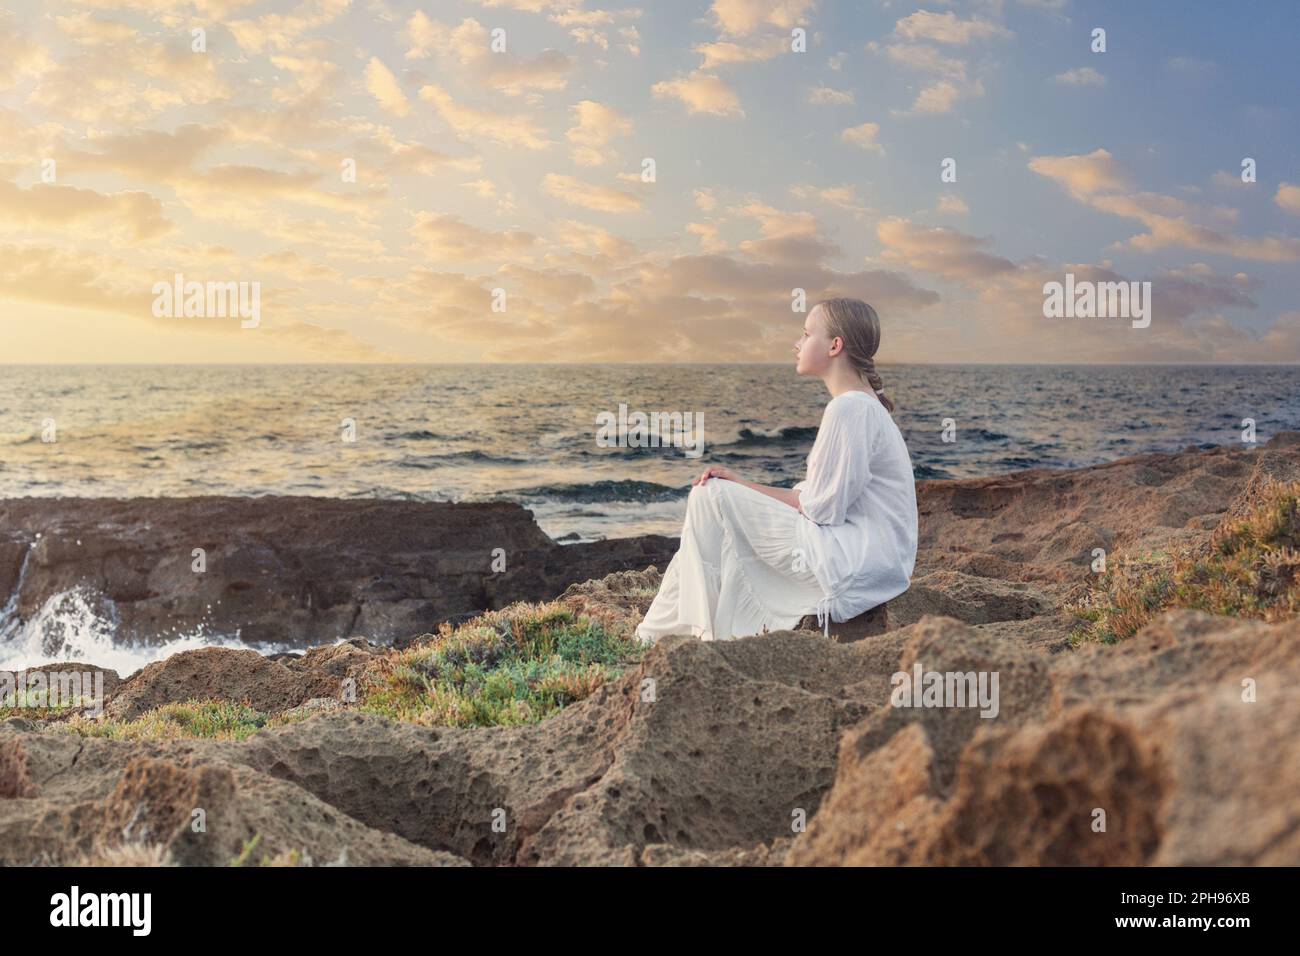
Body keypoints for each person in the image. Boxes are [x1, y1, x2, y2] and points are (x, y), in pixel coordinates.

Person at [634, 297, 918, 643]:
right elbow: (818, 501)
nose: (796, 344)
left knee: (708, 496)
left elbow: (822, 509)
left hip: (851, 564)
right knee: (718, 498)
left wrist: (742, 493)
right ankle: (674, 629)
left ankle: (674, 632)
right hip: (874, 559)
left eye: (806, 333)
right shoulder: (864, 404)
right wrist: (743, 486)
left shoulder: (849, 409)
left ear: (834, 345)